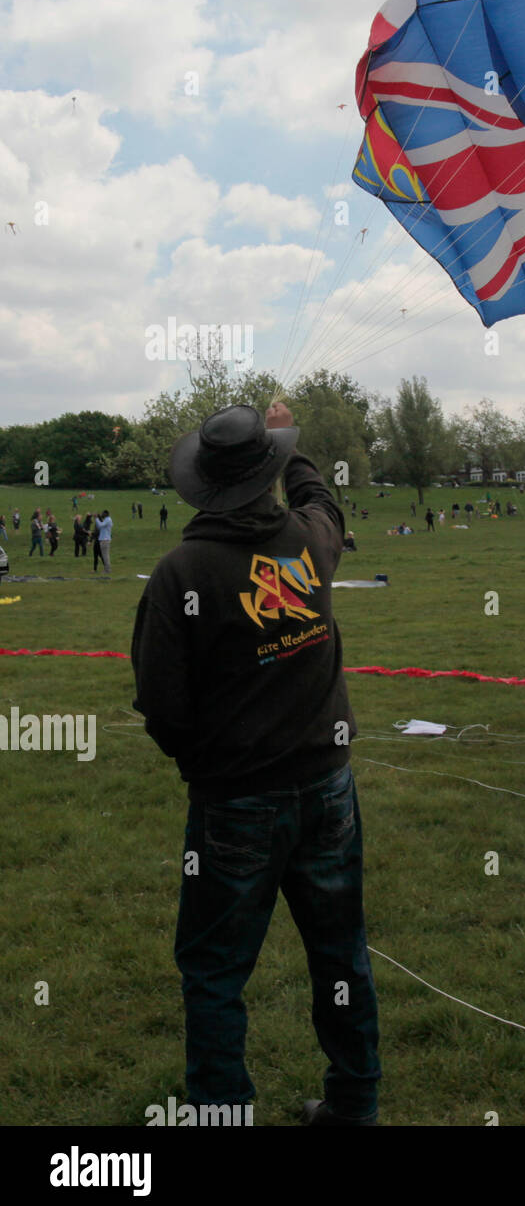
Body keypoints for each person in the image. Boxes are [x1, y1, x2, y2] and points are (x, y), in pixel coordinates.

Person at [130, 402, 381, 1124]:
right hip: (328, 789)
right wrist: (289, 438)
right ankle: (354, 1104)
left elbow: (163, 707)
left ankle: (223, 1113)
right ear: (267, 472)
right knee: (342, 954)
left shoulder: (182, 571)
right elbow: (321, 498)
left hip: (235, 802)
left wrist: (207, 765)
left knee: (214, 970)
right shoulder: (310, 543)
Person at [96, 509, 113, 574]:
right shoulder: (106, 520)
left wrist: (97, 518)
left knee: (105, 556)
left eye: (102, 513)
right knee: (104, 556)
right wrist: (99, 518)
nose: (101, 514)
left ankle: (107, 570)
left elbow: (100, 525)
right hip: (104, 539)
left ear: (106, 514)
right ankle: (107, 569)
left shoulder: (108, 520)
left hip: (105, 540)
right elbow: (100, 527)